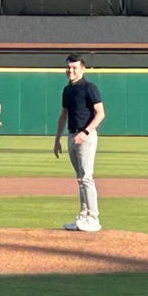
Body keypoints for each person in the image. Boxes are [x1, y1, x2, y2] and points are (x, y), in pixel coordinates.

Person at [53, 53, 105, 232]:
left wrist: (85, 132)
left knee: (86, 177)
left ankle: (93, 218)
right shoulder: (67, 90)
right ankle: (83, 216)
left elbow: (100, 113)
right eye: (68, 67)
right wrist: (57, 139)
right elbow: (63, 115)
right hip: (71, 135)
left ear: (82, 68)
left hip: (86, 137)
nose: (70, 70)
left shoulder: (89, 87)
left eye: (74, 67)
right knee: (80, 178)